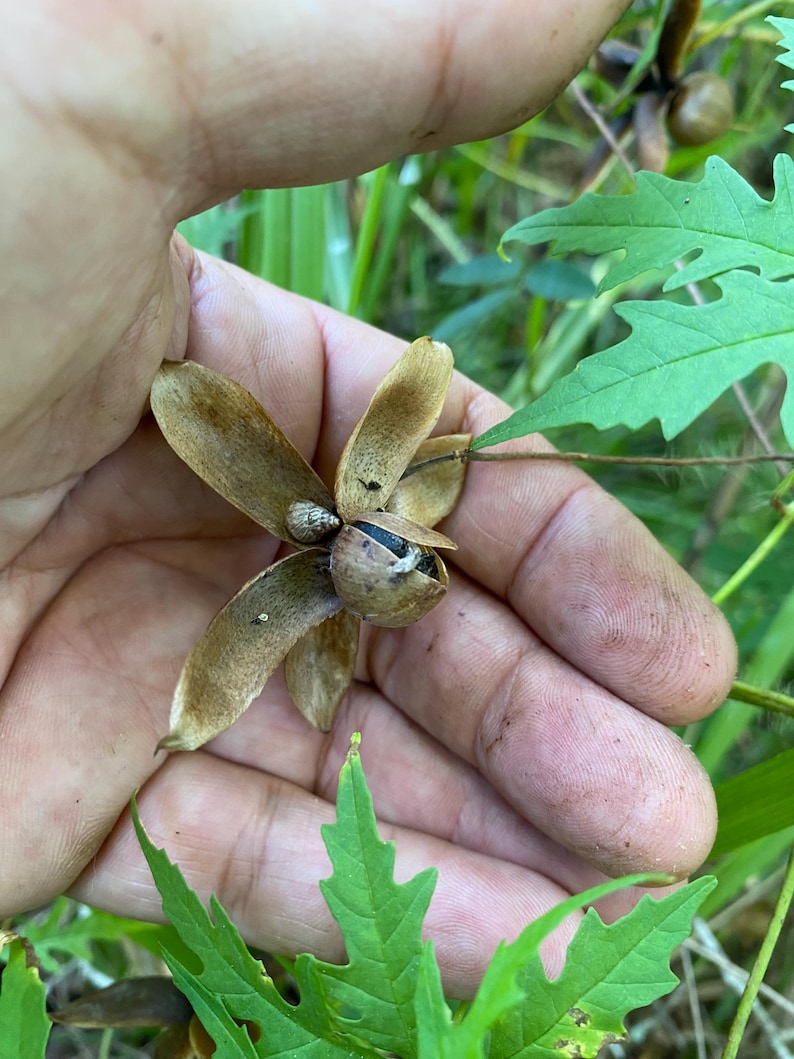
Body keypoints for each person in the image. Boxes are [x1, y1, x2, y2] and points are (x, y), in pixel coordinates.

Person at [0, 0, 735, 999]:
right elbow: (373, 383)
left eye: (414, 559)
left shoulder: (363, 540)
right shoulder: (343, 519)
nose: (413, 565)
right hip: (329, 529)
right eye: (413, 557)